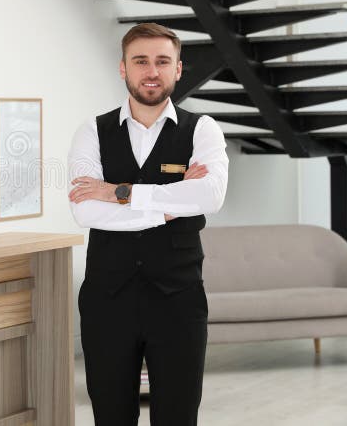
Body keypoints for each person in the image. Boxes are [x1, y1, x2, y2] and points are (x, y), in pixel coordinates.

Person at [68, 23, 229, 426]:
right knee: (111, 416)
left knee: (177, 415)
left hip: (179, 301)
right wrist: (172, 203)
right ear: (123, 68)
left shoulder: (202, 129)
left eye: (162, 61)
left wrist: (117, 193)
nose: (151, 71)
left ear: (178, 69)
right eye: (141, 61)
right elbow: (85, 211)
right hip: (107, 301)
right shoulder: (92, 131)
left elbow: (210, 196)